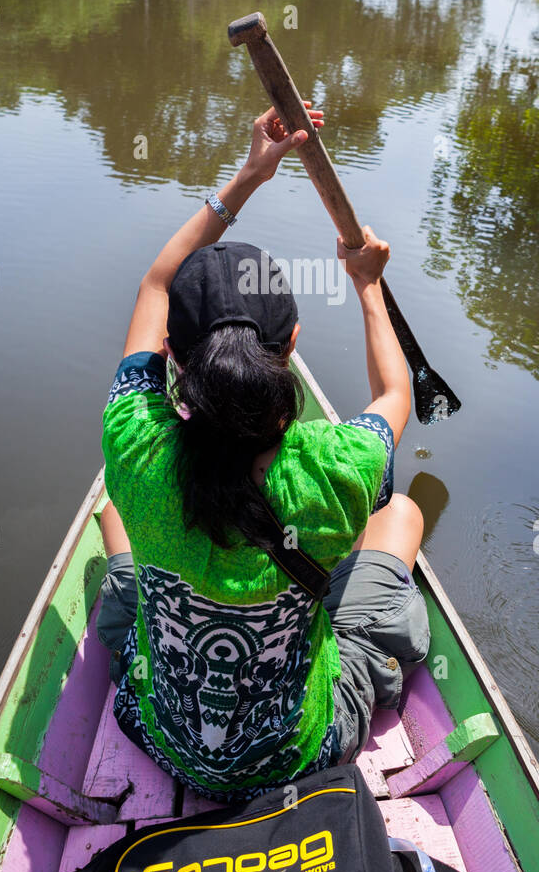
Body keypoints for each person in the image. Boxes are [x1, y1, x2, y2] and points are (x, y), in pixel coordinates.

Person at [98, 101, 430, 802]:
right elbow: (396, 392)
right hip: (297, 757)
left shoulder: (134, 444)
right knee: (399, 515)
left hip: (158, 733)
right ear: (293, 346)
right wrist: (368, 284)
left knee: (112, 514)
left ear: (172, 362)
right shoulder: (335, 465)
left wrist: (246, 177)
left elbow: (155, 283)